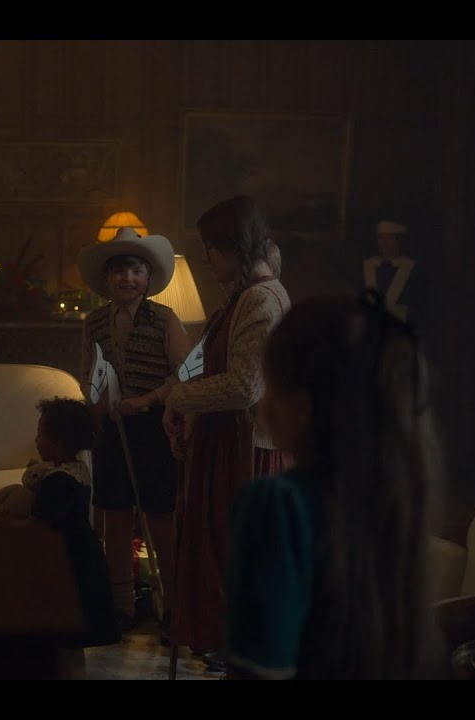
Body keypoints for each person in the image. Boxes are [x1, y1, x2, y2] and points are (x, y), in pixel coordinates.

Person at [223, 291, 446, 679]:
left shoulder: (278, 506)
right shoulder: (399, 493)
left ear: (301, 407)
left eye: (270, 386)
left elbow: (257, 670)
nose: (262, 403)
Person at [161, 195, 292, 667]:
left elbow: (244, 386)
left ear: (237, 247)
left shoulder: (260, 299)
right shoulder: (244, 295)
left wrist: (180, 398)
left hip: (246, 449)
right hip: (228, 441)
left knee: (240, 551)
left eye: (211, 248)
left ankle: (242, 643)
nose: (205, 257)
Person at [77, 227, 191, 632]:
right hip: (112, 431)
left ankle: (172, 605)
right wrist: (97, 402)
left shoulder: (164, 318)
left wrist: (146, 400)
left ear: (148, 276)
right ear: (107, 277)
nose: (128, 278)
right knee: (116, 517)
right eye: (120, 271)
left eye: (136, 270)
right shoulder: (94, 322)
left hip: (154, 429)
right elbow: (88, 373)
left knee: (160, 517)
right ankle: (122, 604)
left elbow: (186, 373)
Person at [0, 397, 121, 677]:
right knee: (71, 641)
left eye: (41, 434)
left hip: (66, 565)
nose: (36, 440)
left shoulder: (56, 482)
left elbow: (40, 526)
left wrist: (7, 524)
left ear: (59, 442)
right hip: (84, 556)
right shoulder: (79, 472)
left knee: (61, 634)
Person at [362, 219, 419, 323]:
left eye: (390, 238)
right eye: (381, 238)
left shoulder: (412, 269)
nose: (384, 243)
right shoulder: (368, 266)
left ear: (399, 241)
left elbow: (415, 305)